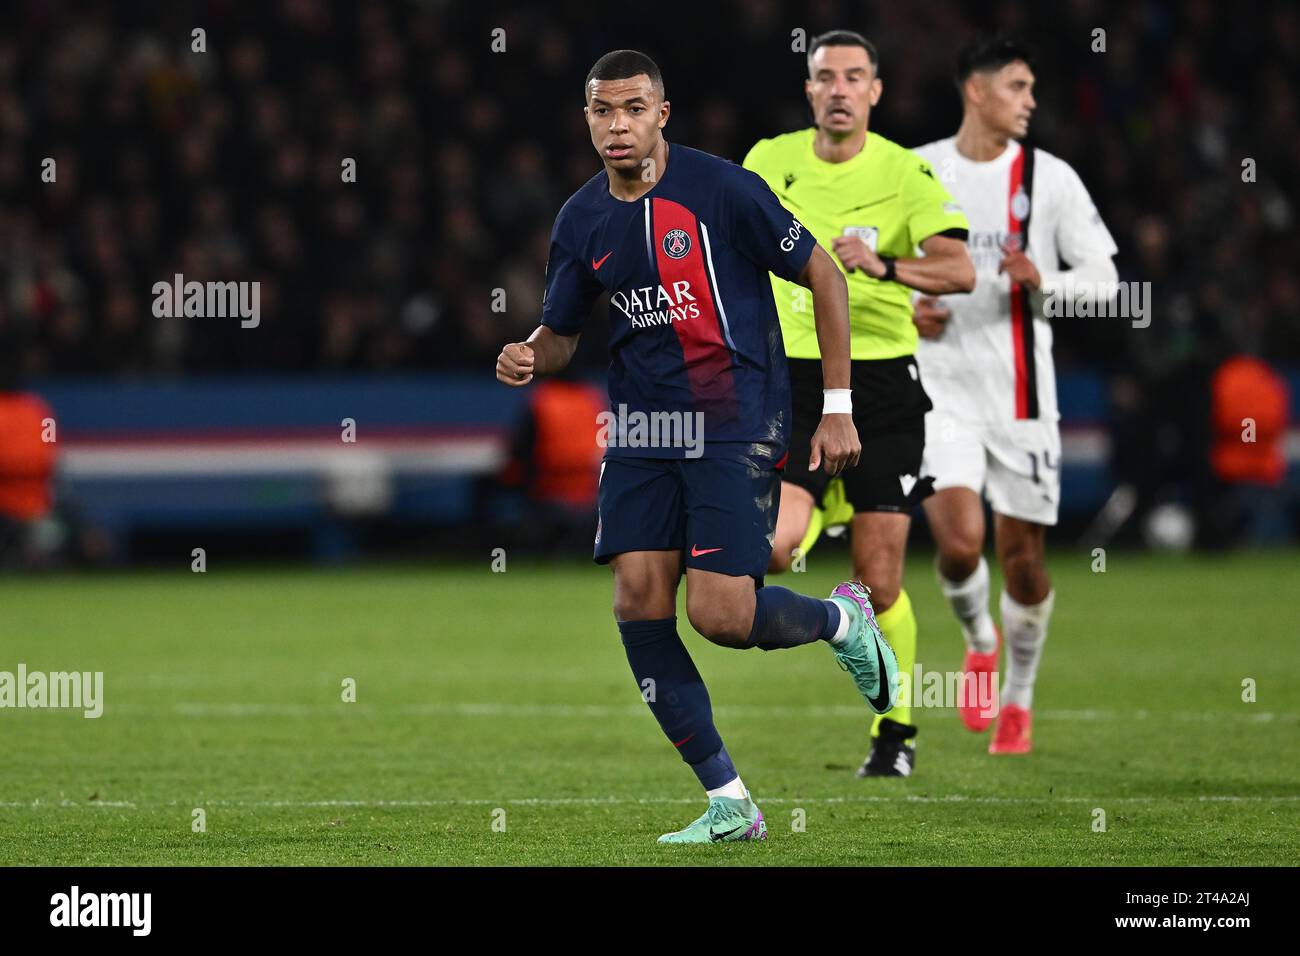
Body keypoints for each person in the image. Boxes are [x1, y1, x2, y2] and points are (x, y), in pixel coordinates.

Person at [495, 49, 902, 844]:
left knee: (720, 616)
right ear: (587, 119)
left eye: (634, 109)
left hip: (734, 422)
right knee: (638, 605)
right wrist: (527, 352)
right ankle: (730, 803)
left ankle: (839, 623)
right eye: (603, 111)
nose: (618, 125)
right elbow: (563, 332)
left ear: (662, 113)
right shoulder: (581, 218)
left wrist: (840, 407)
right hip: (643, 433)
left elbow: (826, 277)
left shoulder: (724, 190)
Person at [744, 30, 974, 777]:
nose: (838, 88)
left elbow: (961, 267)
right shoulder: (767, 160)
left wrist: (887, 264)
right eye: (824, 76)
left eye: (853, 76)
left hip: (880, 386)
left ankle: (895, 733)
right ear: (808, 90)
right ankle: (821, 559)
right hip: (793, 382)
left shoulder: (904, 173)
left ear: (876, 90)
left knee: (882, 580)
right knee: (774, 547)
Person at [911, 35, 1119, 753]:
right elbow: (869, 267)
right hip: (938, 389)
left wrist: (1046, 283)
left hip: (1024, 397)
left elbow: (1108, 287)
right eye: (1018, 87)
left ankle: (1020, 699)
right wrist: (908, 309)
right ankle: (977, 637)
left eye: (1032, 90)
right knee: (960, 544)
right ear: (976, 90)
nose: (1031, 102)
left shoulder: (1050, 178)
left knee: (1024, 561)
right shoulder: (918, 170)